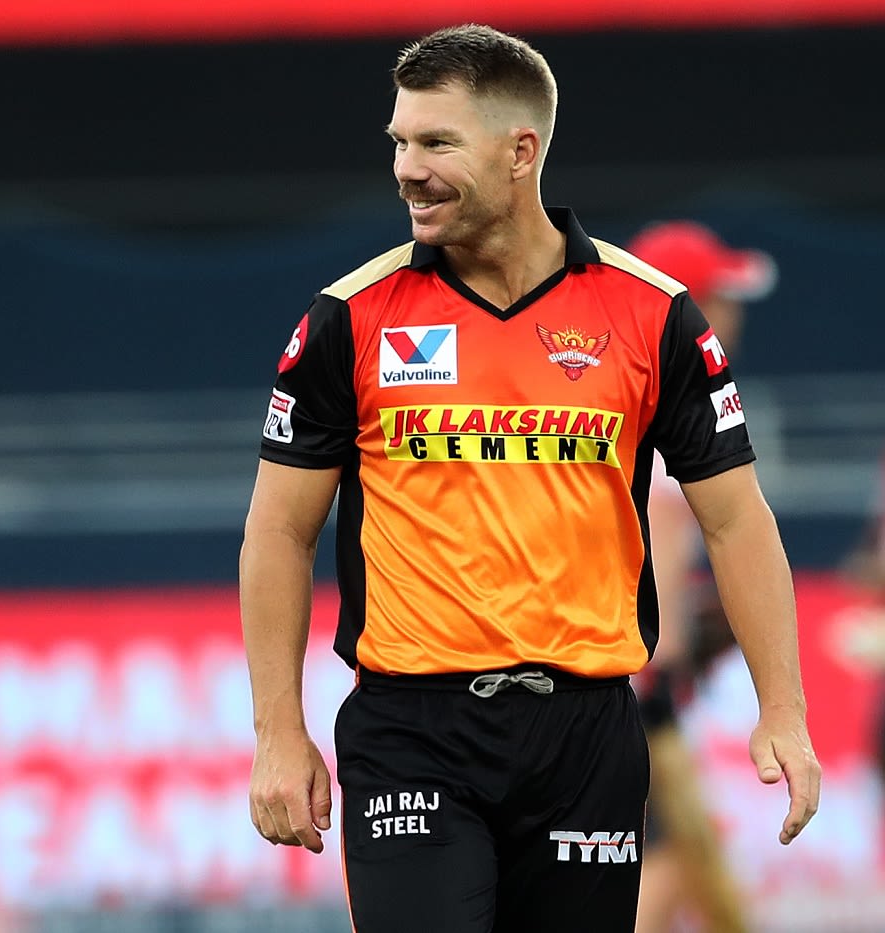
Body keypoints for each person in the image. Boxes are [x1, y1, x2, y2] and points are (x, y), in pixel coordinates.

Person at [238, 24, 820, 933]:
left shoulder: (653, 314)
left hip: (586, 737)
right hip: (411, 732)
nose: (407, 169)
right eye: (399, 141)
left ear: (521, 152)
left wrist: (782, 707)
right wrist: (278, 731)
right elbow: (279, 529)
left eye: (437, 143)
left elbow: (737, 520)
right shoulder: (348, 318)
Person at [624, 221, 778, 933]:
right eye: (722, 297)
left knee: (673, 853)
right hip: (633, 681)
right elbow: (658, 544)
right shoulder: (672, 402)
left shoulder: (618, 385)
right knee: (666, 853)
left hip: (605, 672)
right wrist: (665, 665)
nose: (734, 315)